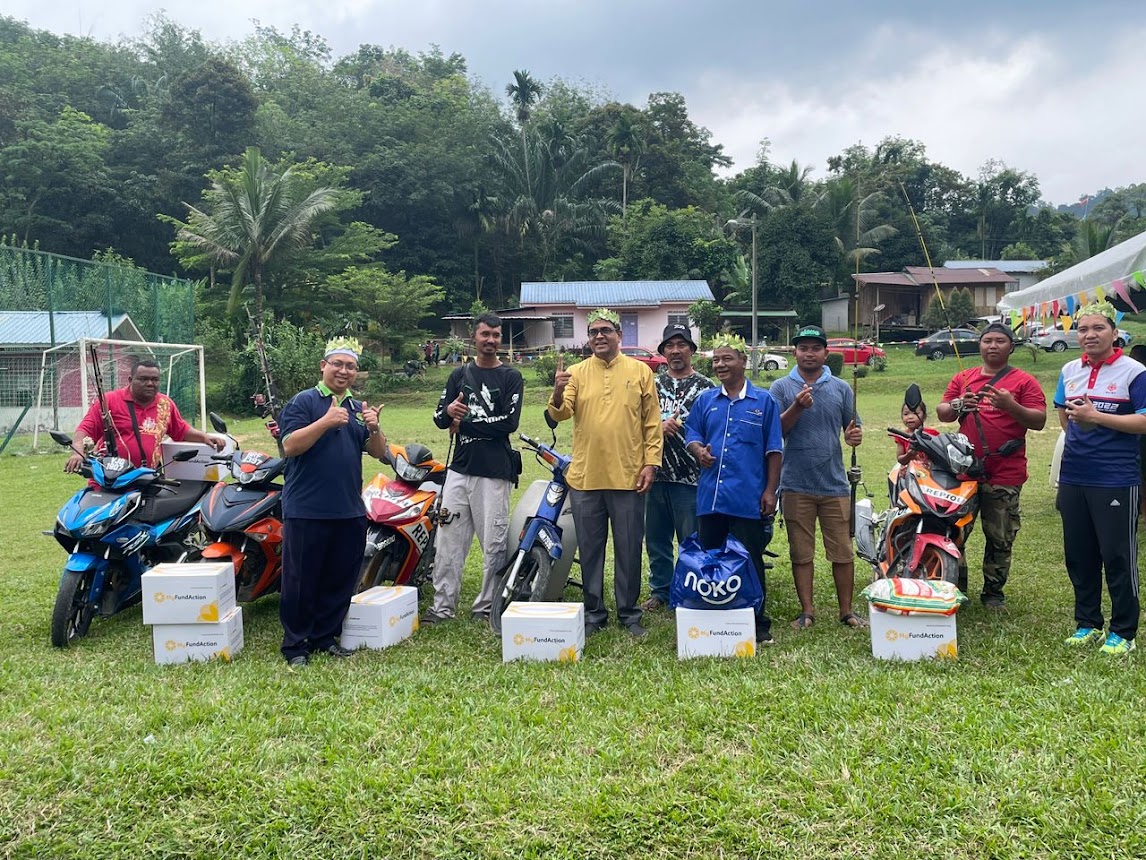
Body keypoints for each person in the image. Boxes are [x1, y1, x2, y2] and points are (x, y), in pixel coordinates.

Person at [547, 308, 661, 637]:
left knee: (628, 548)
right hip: (586, 478)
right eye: (594, 331)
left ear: (618, 336)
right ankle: (594, 613)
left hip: (628, 477)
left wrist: (651, 463)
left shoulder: (640, 372)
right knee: (591, 549)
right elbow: (561, 412)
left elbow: (652, 424)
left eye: (606, 331)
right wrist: (556, 390)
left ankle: (629, 613)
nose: (599, 336)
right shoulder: (577, 372)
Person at [277, 337, 388, 668]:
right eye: (337, 364)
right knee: (300, 580)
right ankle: (295, 645)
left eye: (350, 366)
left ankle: (325, 637)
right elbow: (290, 446)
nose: (343, 370)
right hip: (306, 508)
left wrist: (375, 428)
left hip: (349, 508)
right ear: (323, 366)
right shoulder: (304, 402)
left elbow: (378, 453)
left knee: (340, 578)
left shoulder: (357, 408)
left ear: (356, 373)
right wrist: (325, 421)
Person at [1054, 302, 1146, 655]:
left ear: (1115, 332)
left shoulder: (1133, 372)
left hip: (1116, 477)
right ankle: (1087, 623)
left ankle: (1123, 631)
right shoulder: (1069, 369)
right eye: (1082, 329)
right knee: (1079, 554)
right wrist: (1085, 426)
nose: (1089, 335)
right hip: (1075, 474)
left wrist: (1098, 419)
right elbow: (1065, 414)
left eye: (1098, 328)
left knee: (1117, 555)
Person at [936, 322, 1047, 607]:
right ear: (980, 345)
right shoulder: (964, 376)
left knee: (1000, 536)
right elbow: (943, 411)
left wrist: (1010, 405)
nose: (993, 346)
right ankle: (955, 589)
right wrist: (961, 403)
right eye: (987, 341)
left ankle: (993, 592)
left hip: (1005, 472)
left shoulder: (1024, 381)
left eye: (1000, 341)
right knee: (953, 533)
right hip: (964, 472)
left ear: (1011, 346)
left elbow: (1039, 421)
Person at [423, 313, 524, 624]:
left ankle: (485, 607)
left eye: (496, 335)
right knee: (448, 540)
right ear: (474, 337)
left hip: (494, 472)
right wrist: (450, 412)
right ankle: (442, 607)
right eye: (485, 334)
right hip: (459, 468)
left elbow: (509, 423)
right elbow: (440, 418)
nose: (491, 340)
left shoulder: (511, 377)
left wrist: (464, 421)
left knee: (493, 542)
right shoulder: (460, 374)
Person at [684, 334, 782, 644]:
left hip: (748, 497)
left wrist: (771, 491)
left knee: (750, 560)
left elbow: (774, 450)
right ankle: (715, 617)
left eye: (727, 358)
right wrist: (699, 451)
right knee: (711, 560)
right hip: (712, 498)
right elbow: (692, 435)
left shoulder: (764, 402)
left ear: (743, 361)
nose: (720, 364)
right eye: (716, 360)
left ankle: (757, 622)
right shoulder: (705, 401)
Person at [769, 324, 865, 630]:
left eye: (815, 348)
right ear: (795, 352)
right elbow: (775, 433)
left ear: (826, 352)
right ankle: (807, 612)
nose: (809, 354)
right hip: (795, 482)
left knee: (843, 552)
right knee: (801, 553)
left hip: (835, 483)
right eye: (803, 348)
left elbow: (852, 428)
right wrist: (797, 406)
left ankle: (846, 612)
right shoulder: (781, 388)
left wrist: (854, 435)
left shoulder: (841, 388)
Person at [641, 323, 715, 612]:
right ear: (662, 352)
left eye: (681, 345)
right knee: (657, 540)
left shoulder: (706, 387)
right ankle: (660, 590)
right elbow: (636, 424)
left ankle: (689, 589)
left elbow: (713, 427)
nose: (675, 351)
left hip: (692, 477)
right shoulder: (651, 385)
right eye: (669, 346)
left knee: (691, 540)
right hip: (656, 474)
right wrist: (658, 428)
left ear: (691, 350)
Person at [65, 357, 225, 472]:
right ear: (130, 379)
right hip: (110, 478)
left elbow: (181, 431)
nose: (150, 383)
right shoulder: (109, 401)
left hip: (148, 478)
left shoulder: (165, 404)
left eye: (154, 379)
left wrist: (204, 437)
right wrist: (78, 453)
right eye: (143, 379)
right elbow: (85, 430)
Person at [895, 383, 936, 466]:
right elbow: (900, 459)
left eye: (915, 413)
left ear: (924, 416)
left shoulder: (933, 434)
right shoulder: (901, 437)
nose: (910, 417)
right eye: (906, 414)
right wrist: (909, 455)